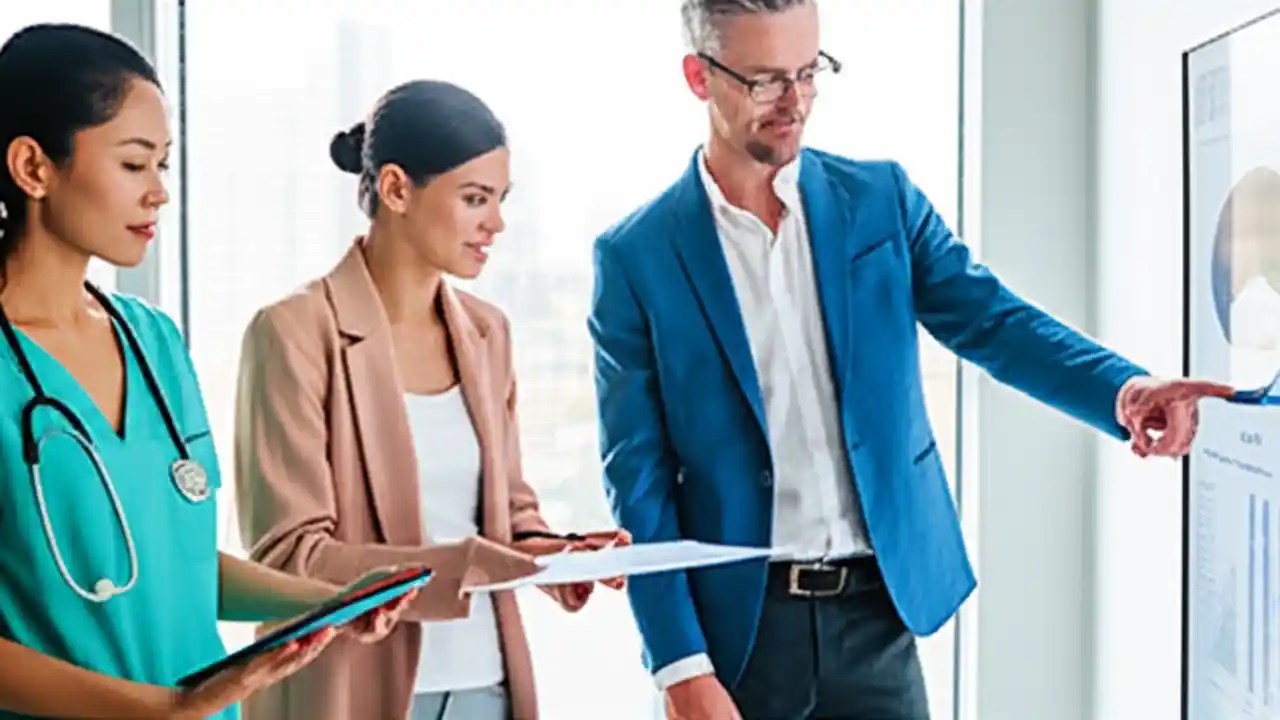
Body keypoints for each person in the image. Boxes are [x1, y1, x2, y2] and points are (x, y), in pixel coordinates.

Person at [587, 2, 1237, 718]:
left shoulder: (880, 202)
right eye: (767, 80)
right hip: (737, 631)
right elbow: (637, 481)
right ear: (698, 77)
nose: (795, 102)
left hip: (880, 614)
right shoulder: (636, 257)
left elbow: (994, 321)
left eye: (809, 72)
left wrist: (1123, 390)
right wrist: (680, 667)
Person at [0, 23, 415, 720]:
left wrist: (327, 602)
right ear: (34, 167)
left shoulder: (154, 341)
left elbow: (180, 565)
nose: (159, 192)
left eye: (163, 165)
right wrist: (157, 709)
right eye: (135, 165)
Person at [234, 79, 630, 720]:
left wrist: (555, 556)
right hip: (353, 691)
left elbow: (507, 511)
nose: (496, 223)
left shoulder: (486, 332)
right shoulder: (294, 332)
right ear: (395, 190)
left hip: (488, 686)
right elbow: (292, 558)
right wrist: (464, 567)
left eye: (501, 199)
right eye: (475, 199)